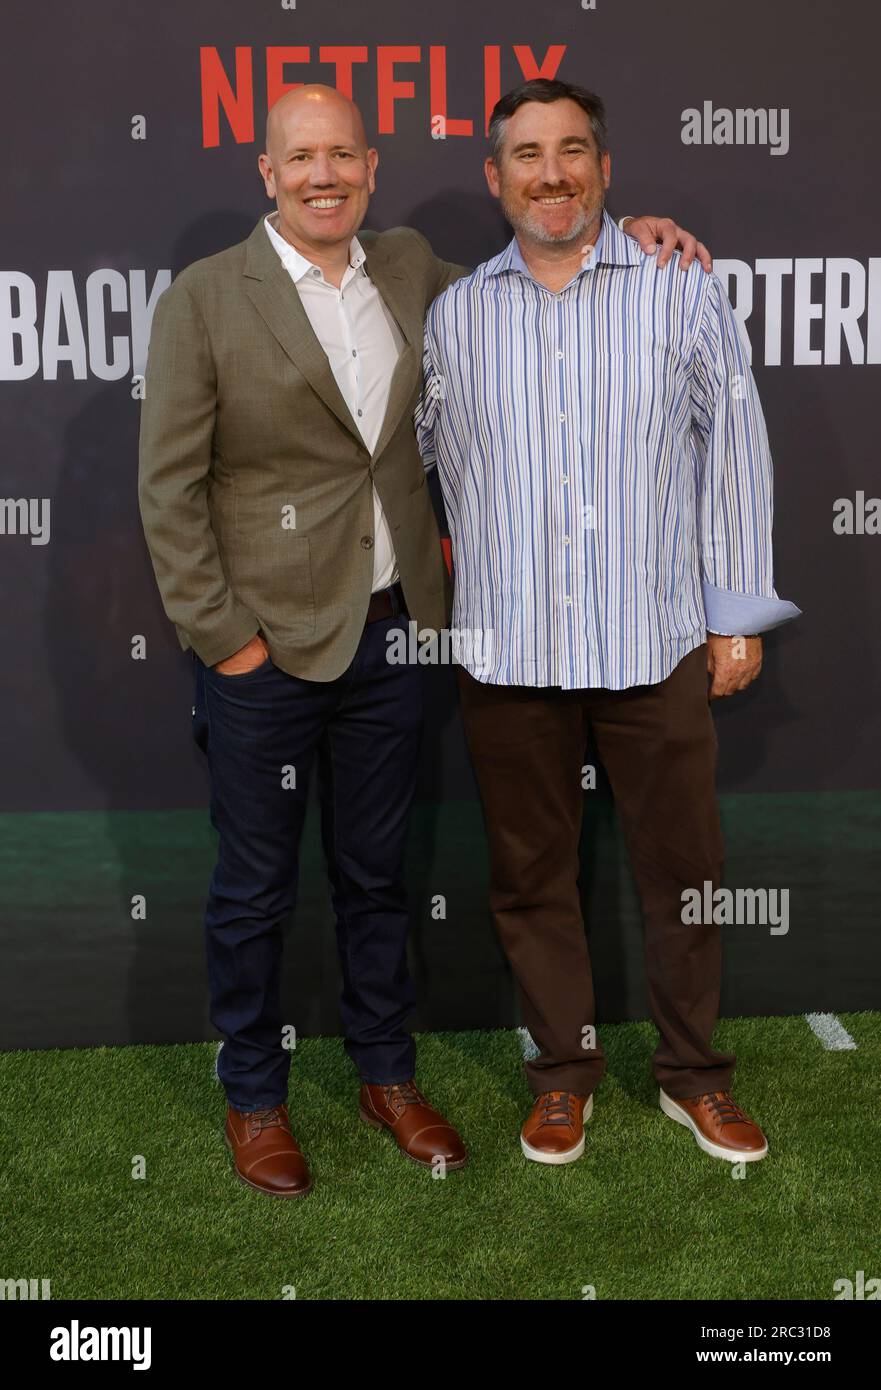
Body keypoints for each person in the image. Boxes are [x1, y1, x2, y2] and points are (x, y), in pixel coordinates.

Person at [139, 81, 714, 1196]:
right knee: (254, 888)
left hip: (393, 642)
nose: (323, 176)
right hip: (260, 653)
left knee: (375, 878)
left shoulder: (411, 272)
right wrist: (225, 642)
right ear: (267, 173)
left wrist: (630, 233)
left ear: (369, 169)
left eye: (343, 157)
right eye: (301, 158)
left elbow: (541, 276)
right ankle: (254, 1094)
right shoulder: (206, 298)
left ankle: (385, 1075)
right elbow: (168, 493)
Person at [416, 78, 800, 1167]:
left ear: (604, 168)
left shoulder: (678, 290)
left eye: (571, 150)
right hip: (507, 650)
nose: (551, 172)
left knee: (682, 873)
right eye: (526, 154)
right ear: (494, 178)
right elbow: (430, 465)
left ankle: (690, 1077)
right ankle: (560, 1077)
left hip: (655, 641)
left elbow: (734, 456)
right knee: (530, 879)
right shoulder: (457, 314)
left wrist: (734, 618)